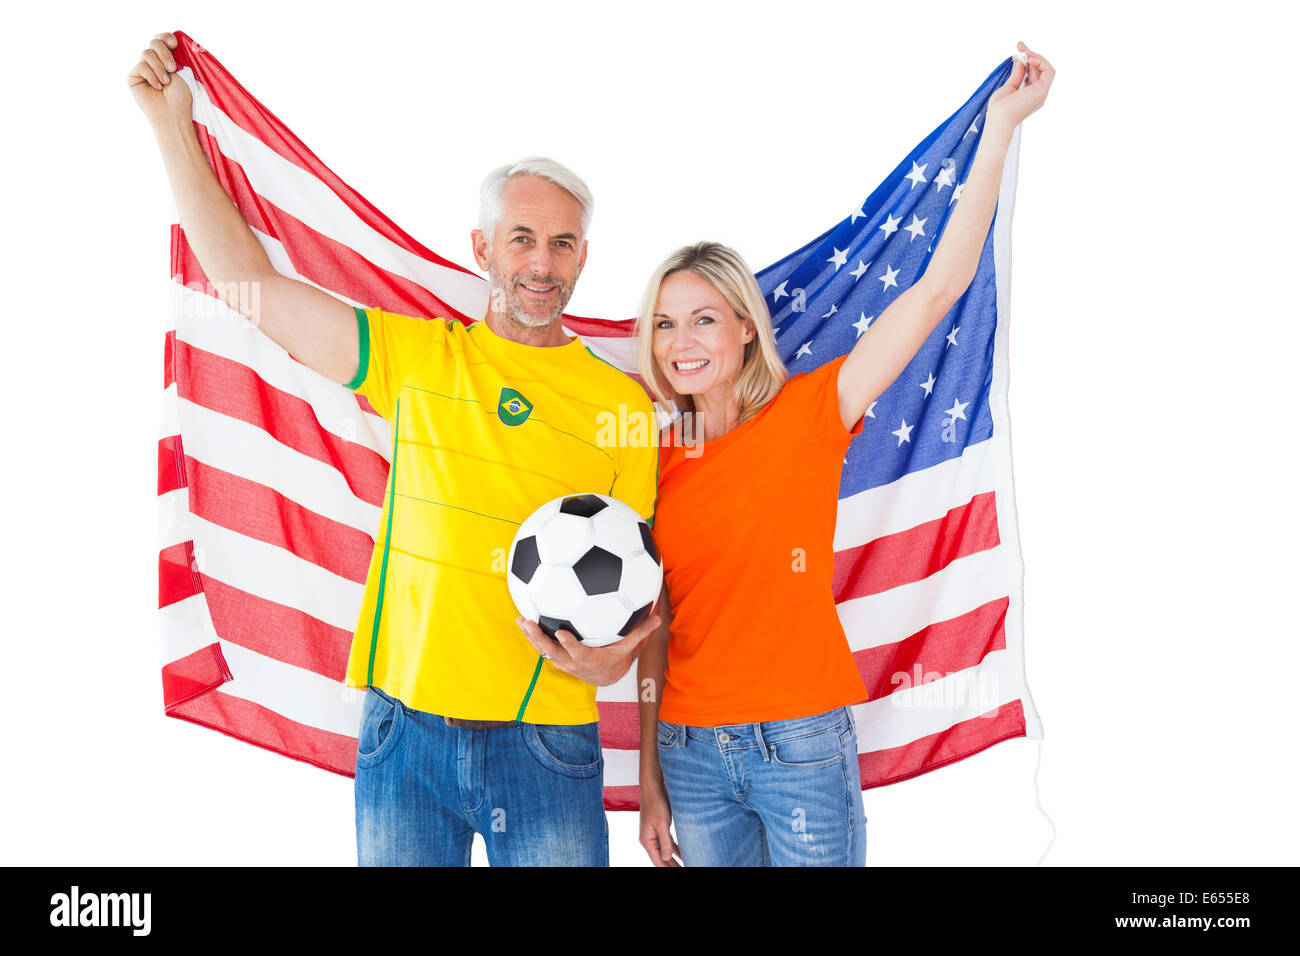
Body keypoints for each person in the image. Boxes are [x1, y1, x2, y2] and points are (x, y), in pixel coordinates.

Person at [128, 31, 661, 866]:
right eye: (521, 238)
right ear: (482, 250)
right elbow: (252, 288)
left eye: (562, 245)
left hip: (546, 744)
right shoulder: (421, 358)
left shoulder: (622, 407)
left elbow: (639, 589)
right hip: (403, 736)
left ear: (585, 257)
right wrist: (170, 128)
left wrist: (609, 662)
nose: (541, 264)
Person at [633, 43, 1055, 866]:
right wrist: (650, 777)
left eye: (704, 319)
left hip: (801, 747)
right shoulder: (649, 455)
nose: (682, 342)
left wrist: (1000, 128)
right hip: (689, 754)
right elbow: (656, 628)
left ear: (747, 327)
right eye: (663, 323)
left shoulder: (811, 410)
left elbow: (938, 287)